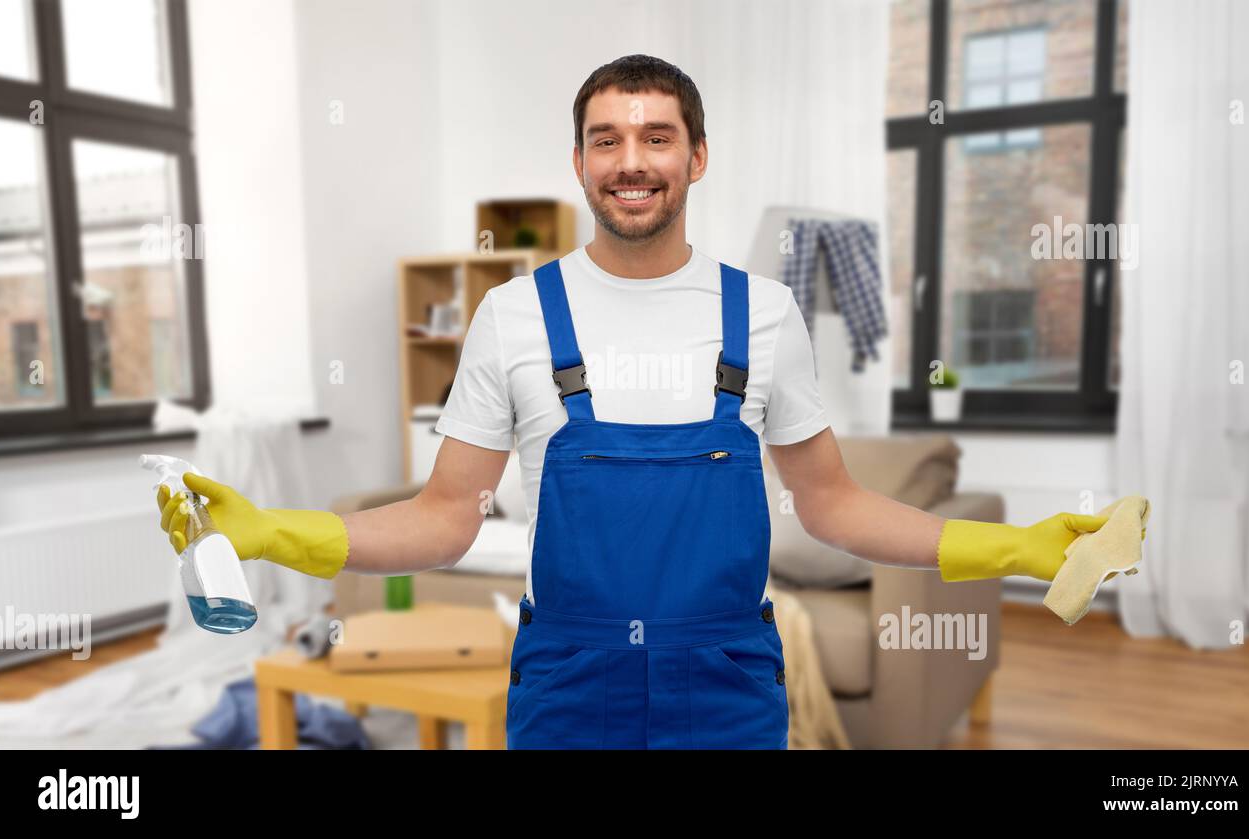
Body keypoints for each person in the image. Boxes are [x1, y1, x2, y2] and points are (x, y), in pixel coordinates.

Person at [156, 54, 1115, 749]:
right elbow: (446, 519)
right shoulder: (514, 314)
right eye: (606, 138)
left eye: (657, 136)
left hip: (728, 685)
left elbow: (834, 504)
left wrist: (1020, 547)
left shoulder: (767, 313)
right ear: (578, 162)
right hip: (568, 687)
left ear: (697, 156)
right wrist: (273, 533)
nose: (632, 159)